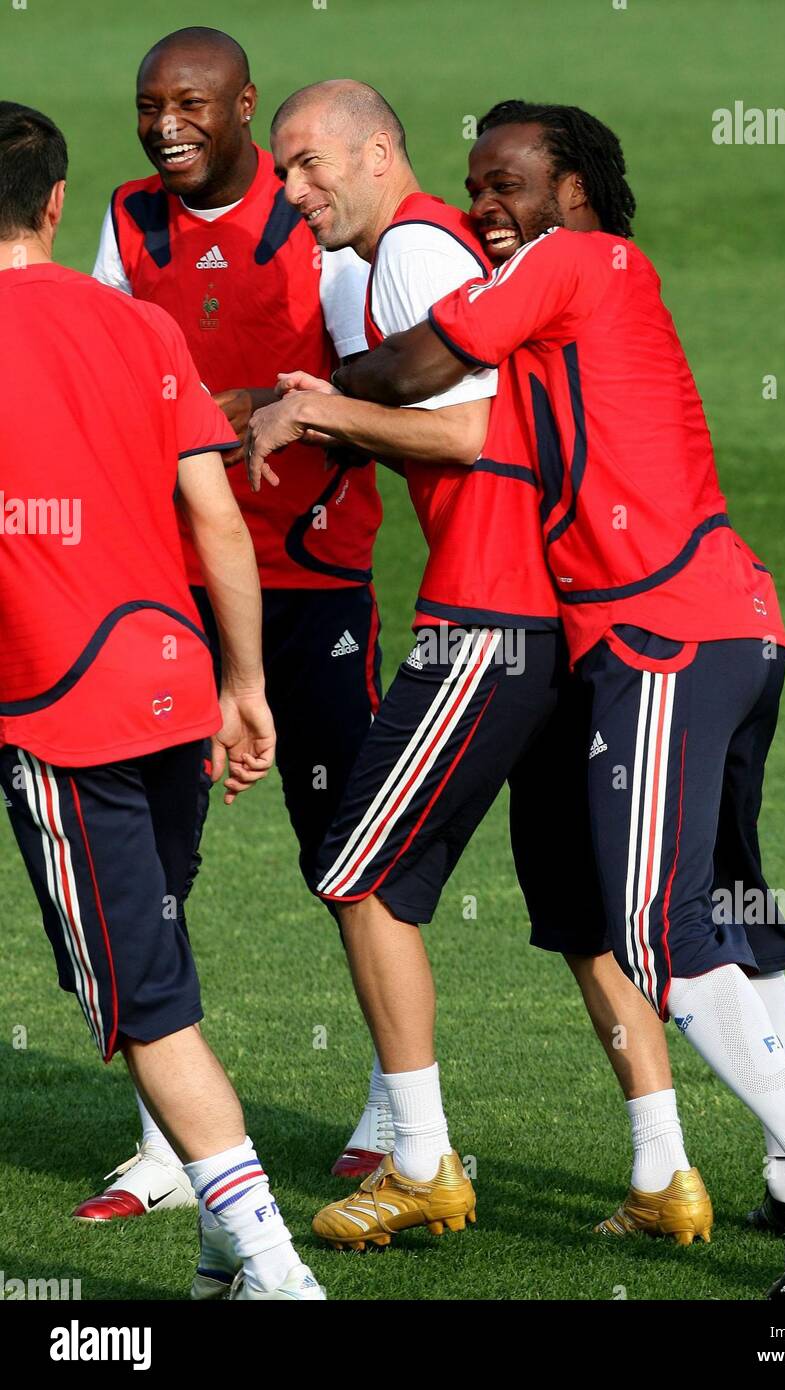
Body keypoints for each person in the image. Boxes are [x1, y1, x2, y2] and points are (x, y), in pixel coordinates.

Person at [299, 100, 785, 1300]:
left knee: (655, 929)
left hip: (661, 636)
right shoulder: (587, 299)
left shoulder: (572, 262)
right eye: (477, 184)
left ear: (574, 190)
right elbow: (473, 427)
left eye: (510, 183)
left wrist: (309, 396)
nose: (486, 205)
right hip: (737, 627)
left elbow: (422, 363)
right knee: (730, 906)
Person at [248, 81, 712, 1250]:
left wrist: (316, 417)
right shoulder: (445, 249)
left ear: (375, 153)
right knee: (577, 913)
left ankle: (417, 1159)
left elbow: (471, 427)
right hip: (560, 623)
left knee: (357, 874)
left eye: (307, 167)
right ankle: (667, 1170)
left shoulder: (409, 253)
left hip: (488, 619)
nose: (291, 193)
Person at [0, 101, 324, 1300]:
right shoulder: (139, 327)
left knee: (147, 1000)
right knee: (162, 951)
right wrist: (244, 684)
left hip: (54, 706)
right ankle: (217, 1262)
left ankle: (276, 1270)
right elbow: (216, 512)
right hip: (173, 680)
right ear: (53, 206)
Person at [74, 26, 379, 1222]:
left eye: (191, 103)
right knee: (155, 857)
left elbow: (386, 379)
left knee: (350, 850)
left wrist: (268, 410)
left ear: (245, 104)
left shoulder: (315, 217)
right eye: (150, 103)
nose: (166, 125)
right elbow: (94, 365)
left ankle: (403, 1118)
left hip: (306, 578)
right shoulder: (125, 219)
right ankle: (165, 1144)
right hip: (162, 584)